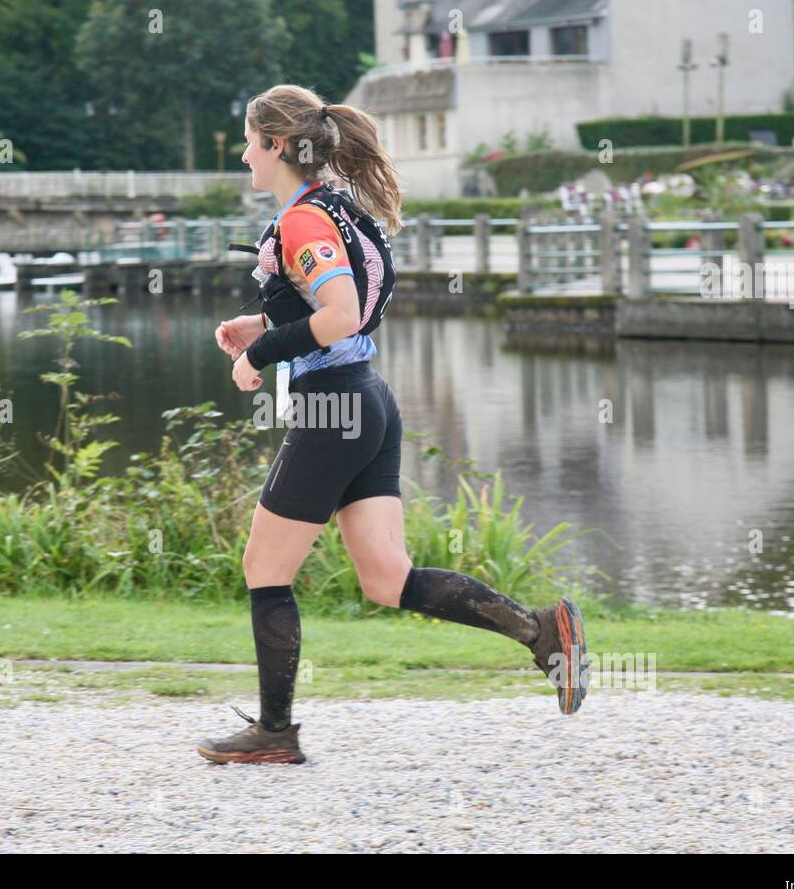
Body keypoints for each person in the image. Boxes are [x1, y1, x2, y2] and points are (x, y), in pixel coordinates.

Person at [200, 84, 588, 765]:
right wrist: (260, 322)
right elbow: (339, 312)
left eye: (250, 142)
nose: (243, 155)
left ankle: (274, 733)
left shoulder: (302, 221)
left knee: (264, 568)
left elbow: (342, 315)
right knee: (386, 579)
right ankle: (542, 634)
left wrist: (258, 353)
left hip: (333, 410)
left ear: (280, 147)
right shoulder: (338, 209)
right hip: (368, 401)